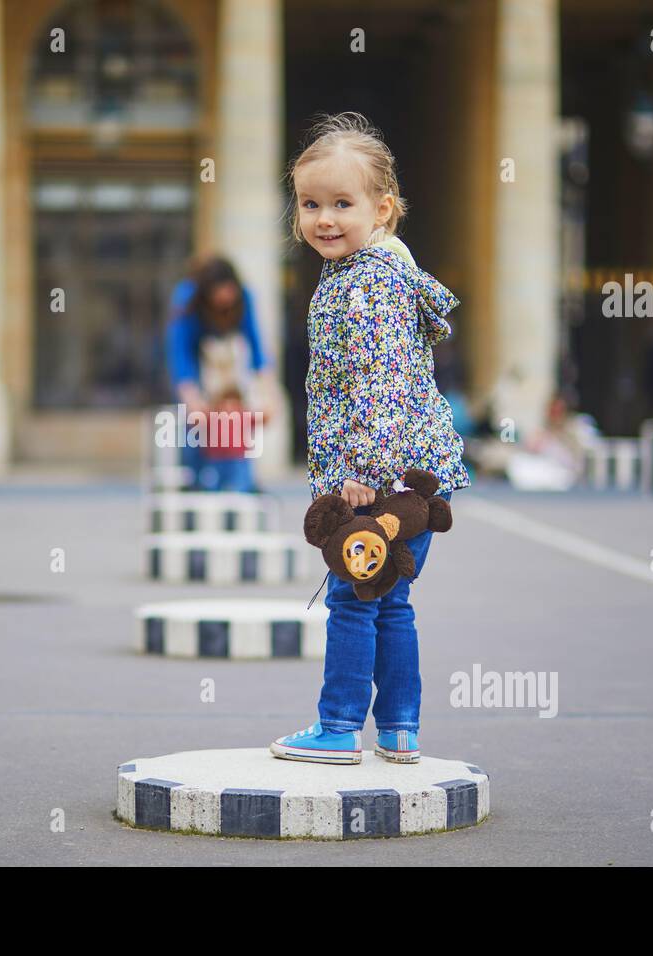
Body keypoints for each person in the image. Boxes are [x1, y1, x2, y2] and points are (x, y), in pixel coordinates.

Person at [270, 111, 469, 765]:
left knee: (353, 598)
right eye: (310, 204)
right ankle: (399, 729)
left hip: (380, 478)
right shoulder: (364, 274)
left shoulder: (370, 285)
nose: (324, 218)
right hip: (412, 477)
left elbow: (380, 382)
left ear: (382, 209)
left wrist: (362, 467)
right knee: (390, 600)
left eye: (342, 204)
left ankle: (336, 728)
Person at [163, 256, 277, 492]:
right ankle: (194, 482)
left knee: (236, 422)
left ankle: (242, 484)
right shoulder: (186, 300)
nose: (225, 300)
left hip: (229, 366)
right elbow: (180, 354)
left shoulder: (244, 297)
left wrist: (268, 395)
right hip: (198, 370)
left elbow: (256, 347)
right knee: (195, 424)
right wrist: (192, 399)